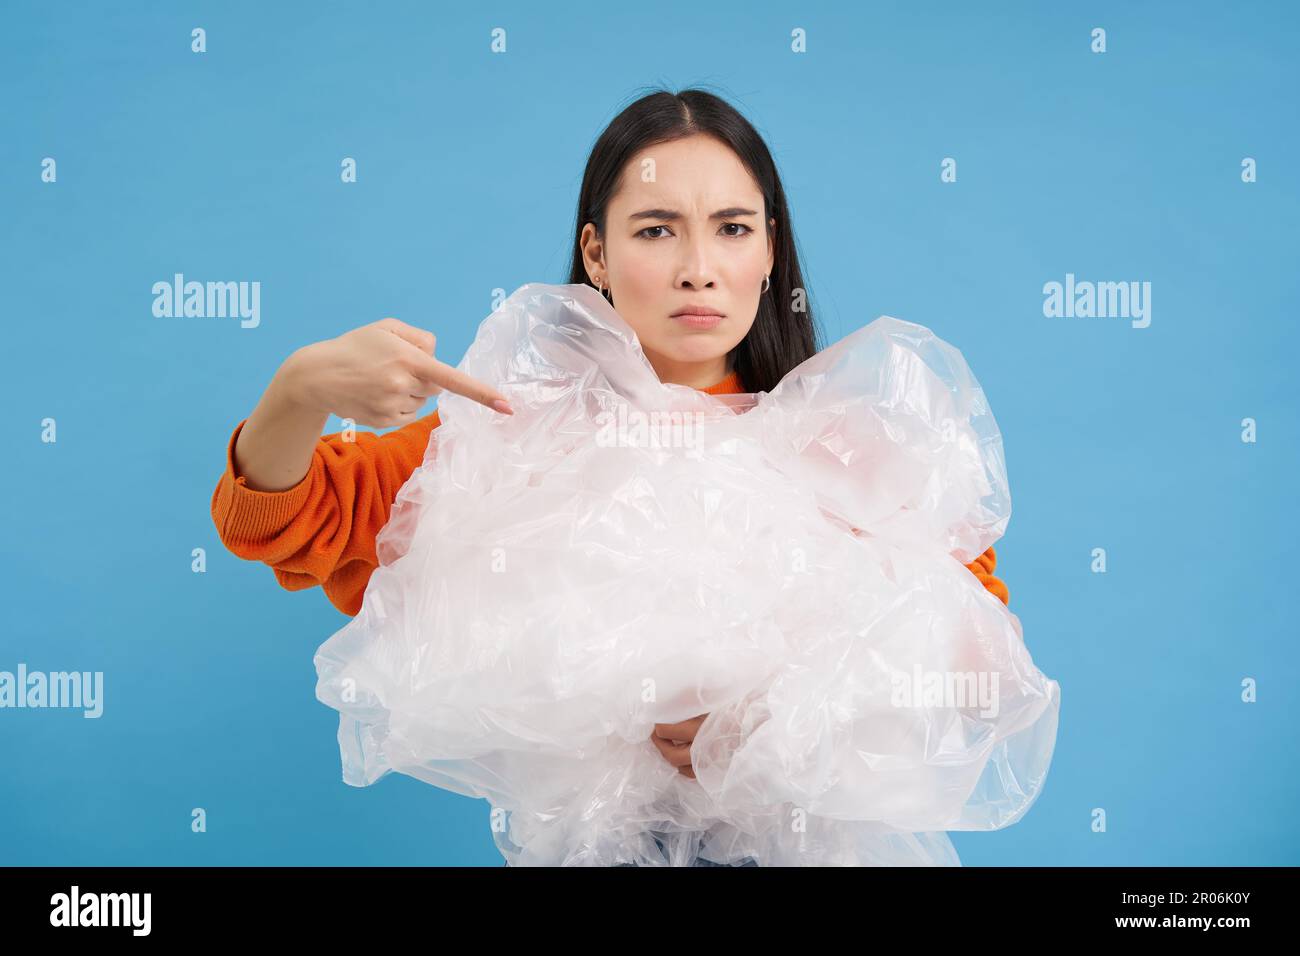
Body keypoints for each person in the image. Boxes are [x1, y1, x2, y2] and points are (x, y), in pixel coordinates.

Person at [210, 87, 1011, 866]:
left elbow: (973, 656)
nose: (699, 269)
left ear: (770, 250)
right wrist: (301, 386)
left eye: (732, 228)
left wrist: (784, 718)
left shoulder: (848, 442)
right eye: (658, 230)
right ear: (596, 252)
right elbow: (280, 516)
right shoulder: (513, 434)